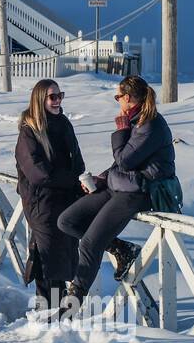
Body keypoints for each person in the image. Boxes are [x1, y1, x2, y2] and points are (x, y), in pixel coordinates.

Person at [56, 75, 177, 312]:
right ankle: (121, 248)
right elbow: (121, 164)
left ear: (128, 98)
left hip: (138, 193)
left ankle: (71, 306)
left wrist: (120, 131)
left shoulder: (151, 125)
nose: (117, 100)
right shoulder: (136, 121)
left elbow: (126, 159)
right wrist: (102, 178)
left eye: (118, 96)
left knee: (91, 243)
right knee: (67, 221)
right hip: (120, 186)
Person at [15, 79, 85, 309]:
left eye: (60, 95)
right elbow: (37, 173)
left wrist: (80, 179)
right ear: (40, 99)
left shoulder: (63, 123)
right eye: (52, 97)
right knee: (46, 255)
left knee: (64, 251)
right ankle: (45, 310)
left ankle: (58, 310)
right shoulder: (29, 131)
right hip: (40, 201)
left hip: (65, 198)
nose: (58, 101)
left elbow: (77, 159)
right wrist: (69, 179)